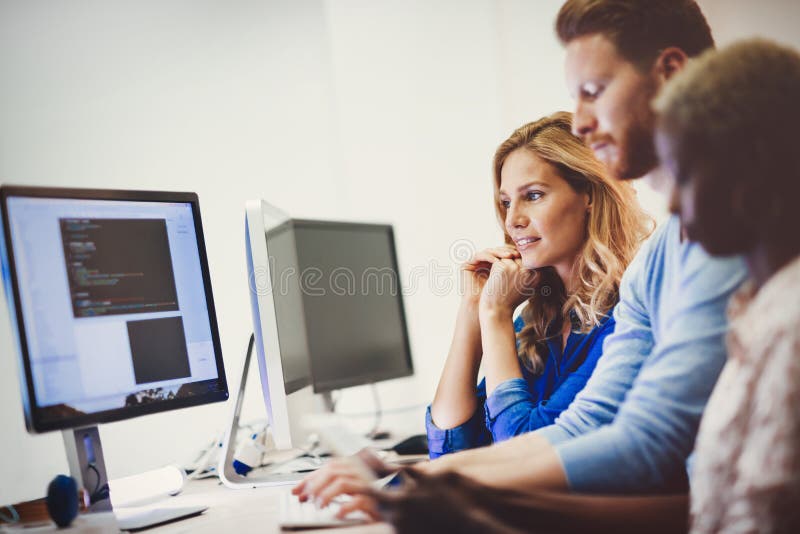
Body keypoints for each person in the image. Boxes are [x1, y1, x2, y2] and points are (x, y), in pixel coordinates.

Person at [293, 0, 748, 515]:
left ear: (671, 73)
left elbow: (645, 449)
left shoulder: (743, 227)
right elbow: (588, 432)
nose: (581, 121)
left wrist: (425, 490)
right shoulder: (659, 260)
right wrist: (410, 478)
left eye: (593, 92)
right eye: (506, 202)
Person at [427, 112, 651, 458]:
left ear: (588, 196)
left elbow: (526, 453)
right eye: (505, 202)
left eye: (532, 196)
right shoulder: (537, 322)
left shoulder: (628, 319)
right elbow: (450, 447)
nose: (512, 220)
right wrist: (473, 308)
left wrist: (496, 316)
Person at [654, 38, 800, 534]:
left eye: (683, 174)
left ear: (751, 168)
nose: (672, 204)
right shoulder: (758, 313)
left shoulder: (791, 329)